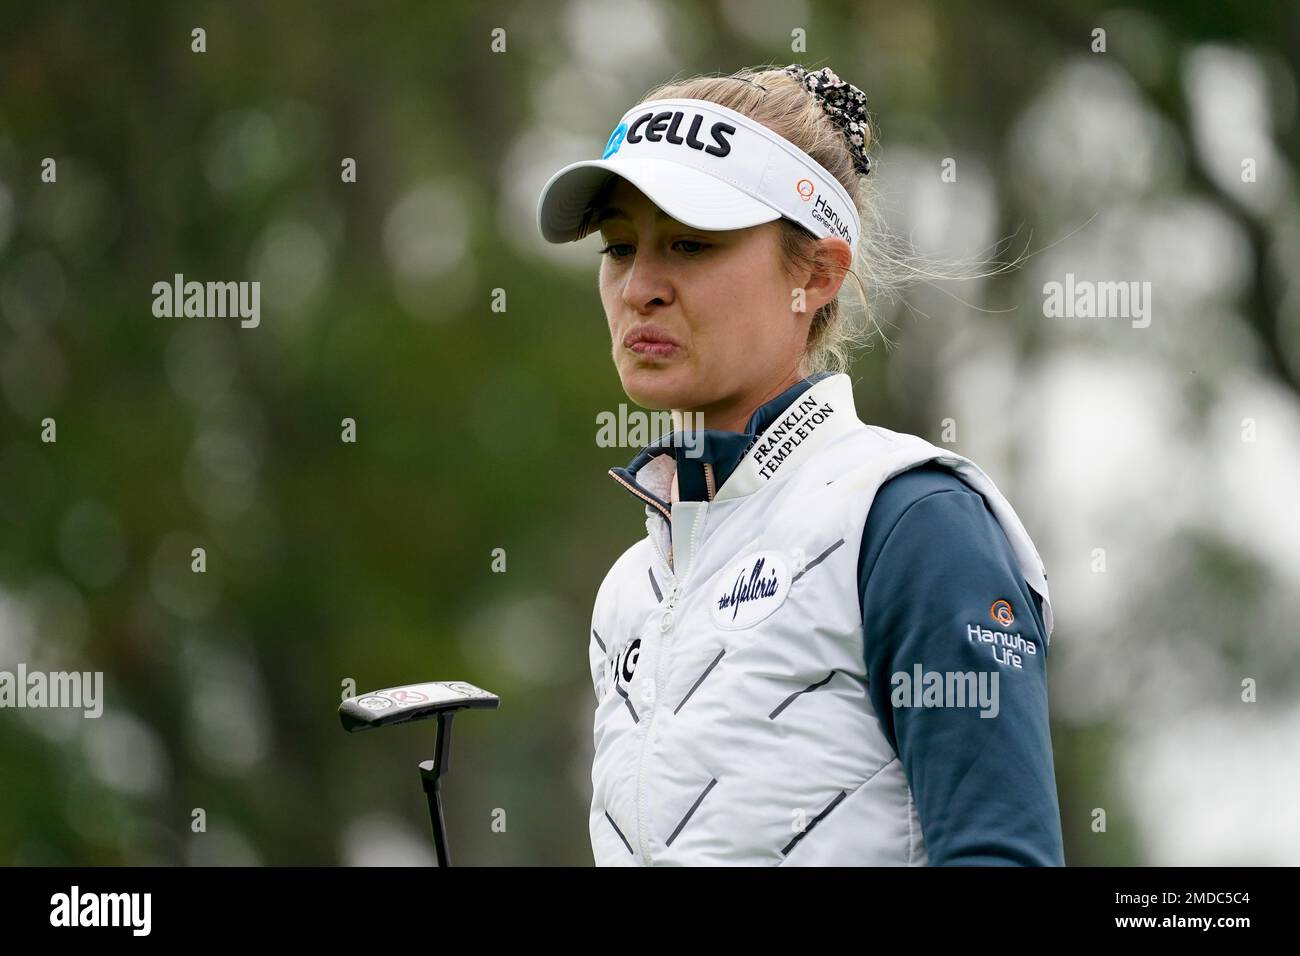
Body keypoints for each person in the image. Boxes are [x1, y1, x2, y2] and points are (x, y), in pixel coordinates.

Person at [536, 64, 1064, 866]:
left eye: (688, 242)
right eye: (618, 246)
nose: (639, 286)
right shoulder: (626, 593)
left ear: (816, 274)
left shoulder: (910, 520)